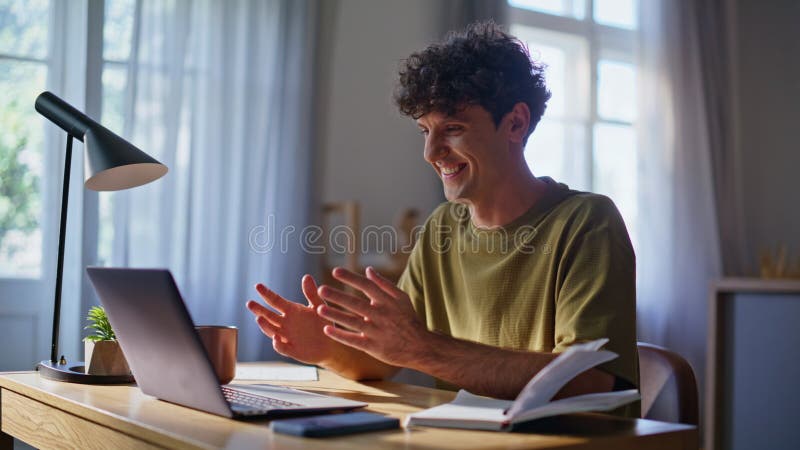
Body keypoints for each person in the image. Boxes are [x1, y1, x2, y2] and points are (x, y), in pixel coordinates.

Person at [246, 21, 638, 415]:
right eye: (424, 131)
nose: (432, 152)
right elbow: (387, 358)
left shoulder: (588, 222)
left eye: (452, 128)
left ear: (515, 123)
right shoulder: (442, 228)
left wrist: (424, 348)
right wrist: (325, 346)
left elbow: (589, 382)